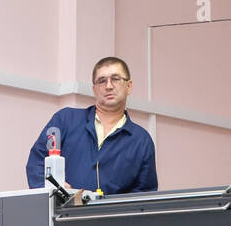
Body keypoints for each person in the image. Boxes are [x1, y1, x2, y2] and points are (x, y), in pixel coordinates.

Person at [25, 56, 158, 195]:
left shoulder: (141, 140)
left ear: (129, 86)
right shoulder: (65, 120)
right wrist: (54, 190)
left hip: (111, 216)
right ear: (94, 89)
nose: (108, 86)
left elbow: (143, 195)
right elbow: (37, 162)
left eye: (115, 79)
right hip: (62, 214)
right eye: (102, 81)